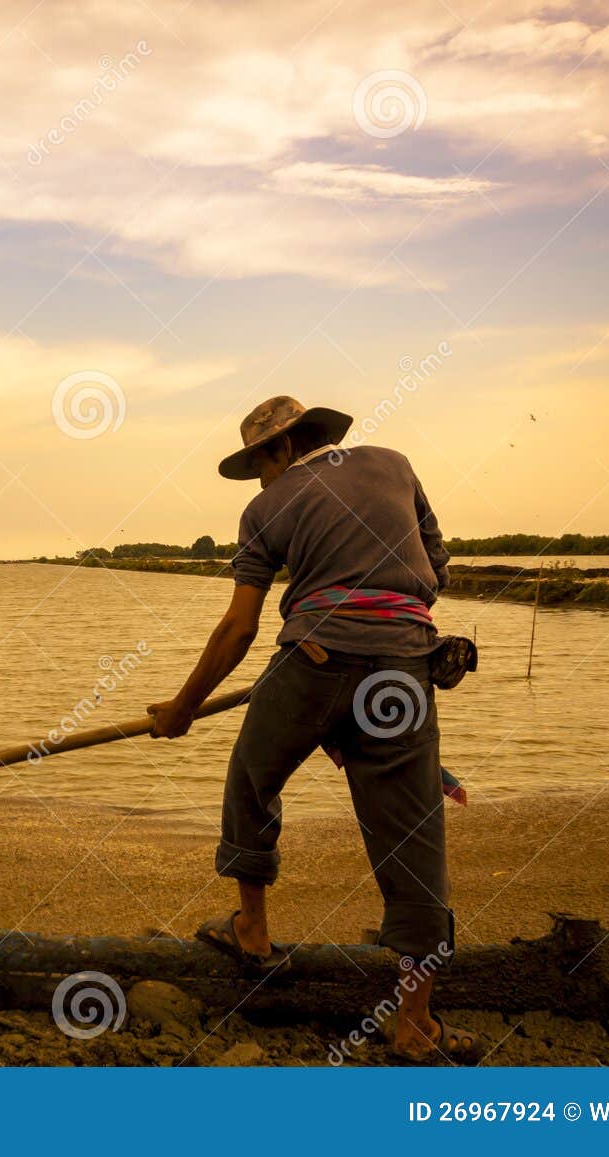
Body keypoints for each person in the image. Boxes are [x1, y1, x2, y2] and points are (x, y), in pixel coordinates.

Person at [147, 395, 483, 1064]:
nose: (264, 479)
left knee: (251, 779)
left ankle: (253, 931)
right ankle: (416, 1022)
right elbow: (437, 567)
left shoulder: (266, 508)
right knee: (414, 835)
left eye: (261, 464)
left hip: (313, 660)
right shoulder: (393, 463)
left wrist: (183, 706)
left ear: (279, 449)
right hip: (404, 665)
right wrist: (384, 621)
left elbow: (240, 627)